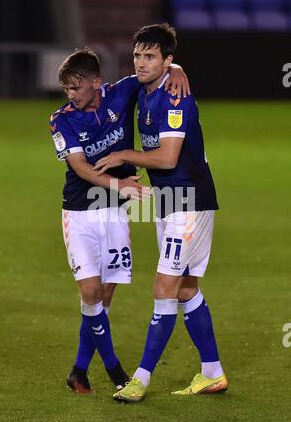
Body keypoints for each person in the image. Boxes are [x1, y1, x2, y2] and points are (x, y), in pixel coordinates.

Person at [94, 23, 228, 402]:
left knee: (163, 286)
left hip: (189, 200)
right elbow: (146, 76)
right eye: (138, 54)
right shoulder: (146, 85)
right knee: (186, 288)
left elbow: (168, 157)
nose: (140, 62)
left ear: (166, 61)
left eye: (150, 56)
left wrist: (122, 155)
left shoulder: (174, 98)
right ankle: (212, 372)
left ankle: (140, 379)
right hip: (169, 201)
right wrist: (176, 65)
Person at [49, 48, 189, 394]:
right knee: (91, 291)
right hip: (80, 211)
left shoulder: (122, 92)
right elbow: (80, 167)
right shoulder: (61, 119)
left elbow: (155, 72)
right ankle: (114, 369)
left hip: (113, 210)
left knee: (106, 292)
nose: (71, 96)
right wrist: (120, 185)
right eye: (66, 89)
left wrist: (179, 69)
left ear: (97, 83)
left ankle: (79, 371)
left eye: (76, 89)